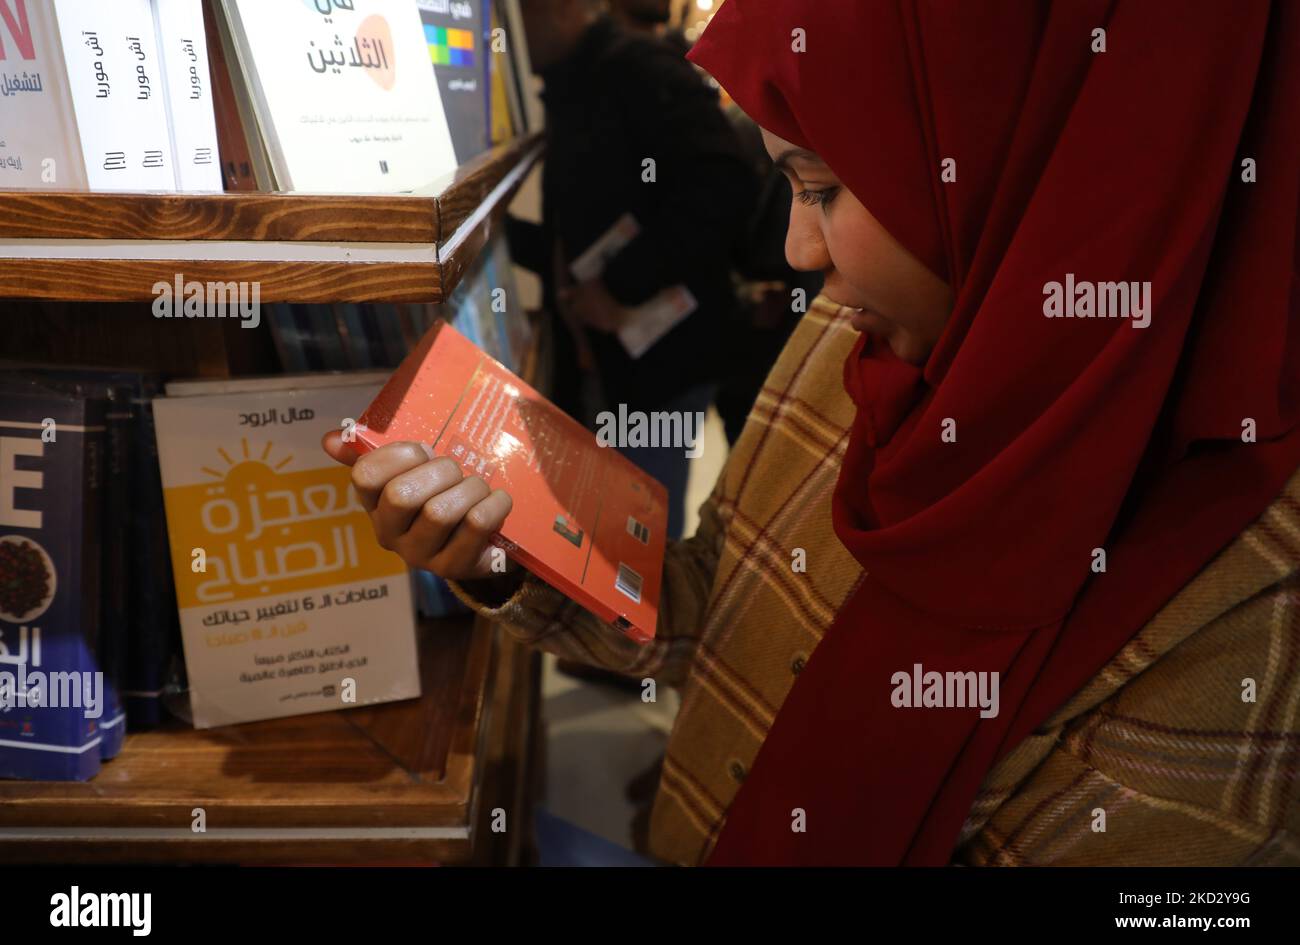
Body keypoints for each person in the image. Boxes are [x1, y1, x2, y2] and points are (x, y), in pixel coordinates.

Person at [325, 0, 1300, 866]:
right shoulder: (852, 341)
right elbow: (719, 607)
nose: (798, 251)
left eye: (824, 188)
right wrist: (503, 552)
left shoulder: (1245, 588)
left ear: (1033, 175)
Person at [505, 0, 756, 537]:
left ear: (556, 11)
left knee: (638, 542)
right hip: (608, 360)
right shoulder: (574, 84)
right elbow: (574, 233)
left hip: (663, 359)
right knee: (611, 531)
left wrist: (619, 285)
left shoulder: (636, 70)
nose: (507, 38)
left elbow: (723, 187)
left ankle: (648, 621)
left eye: (513, 19)